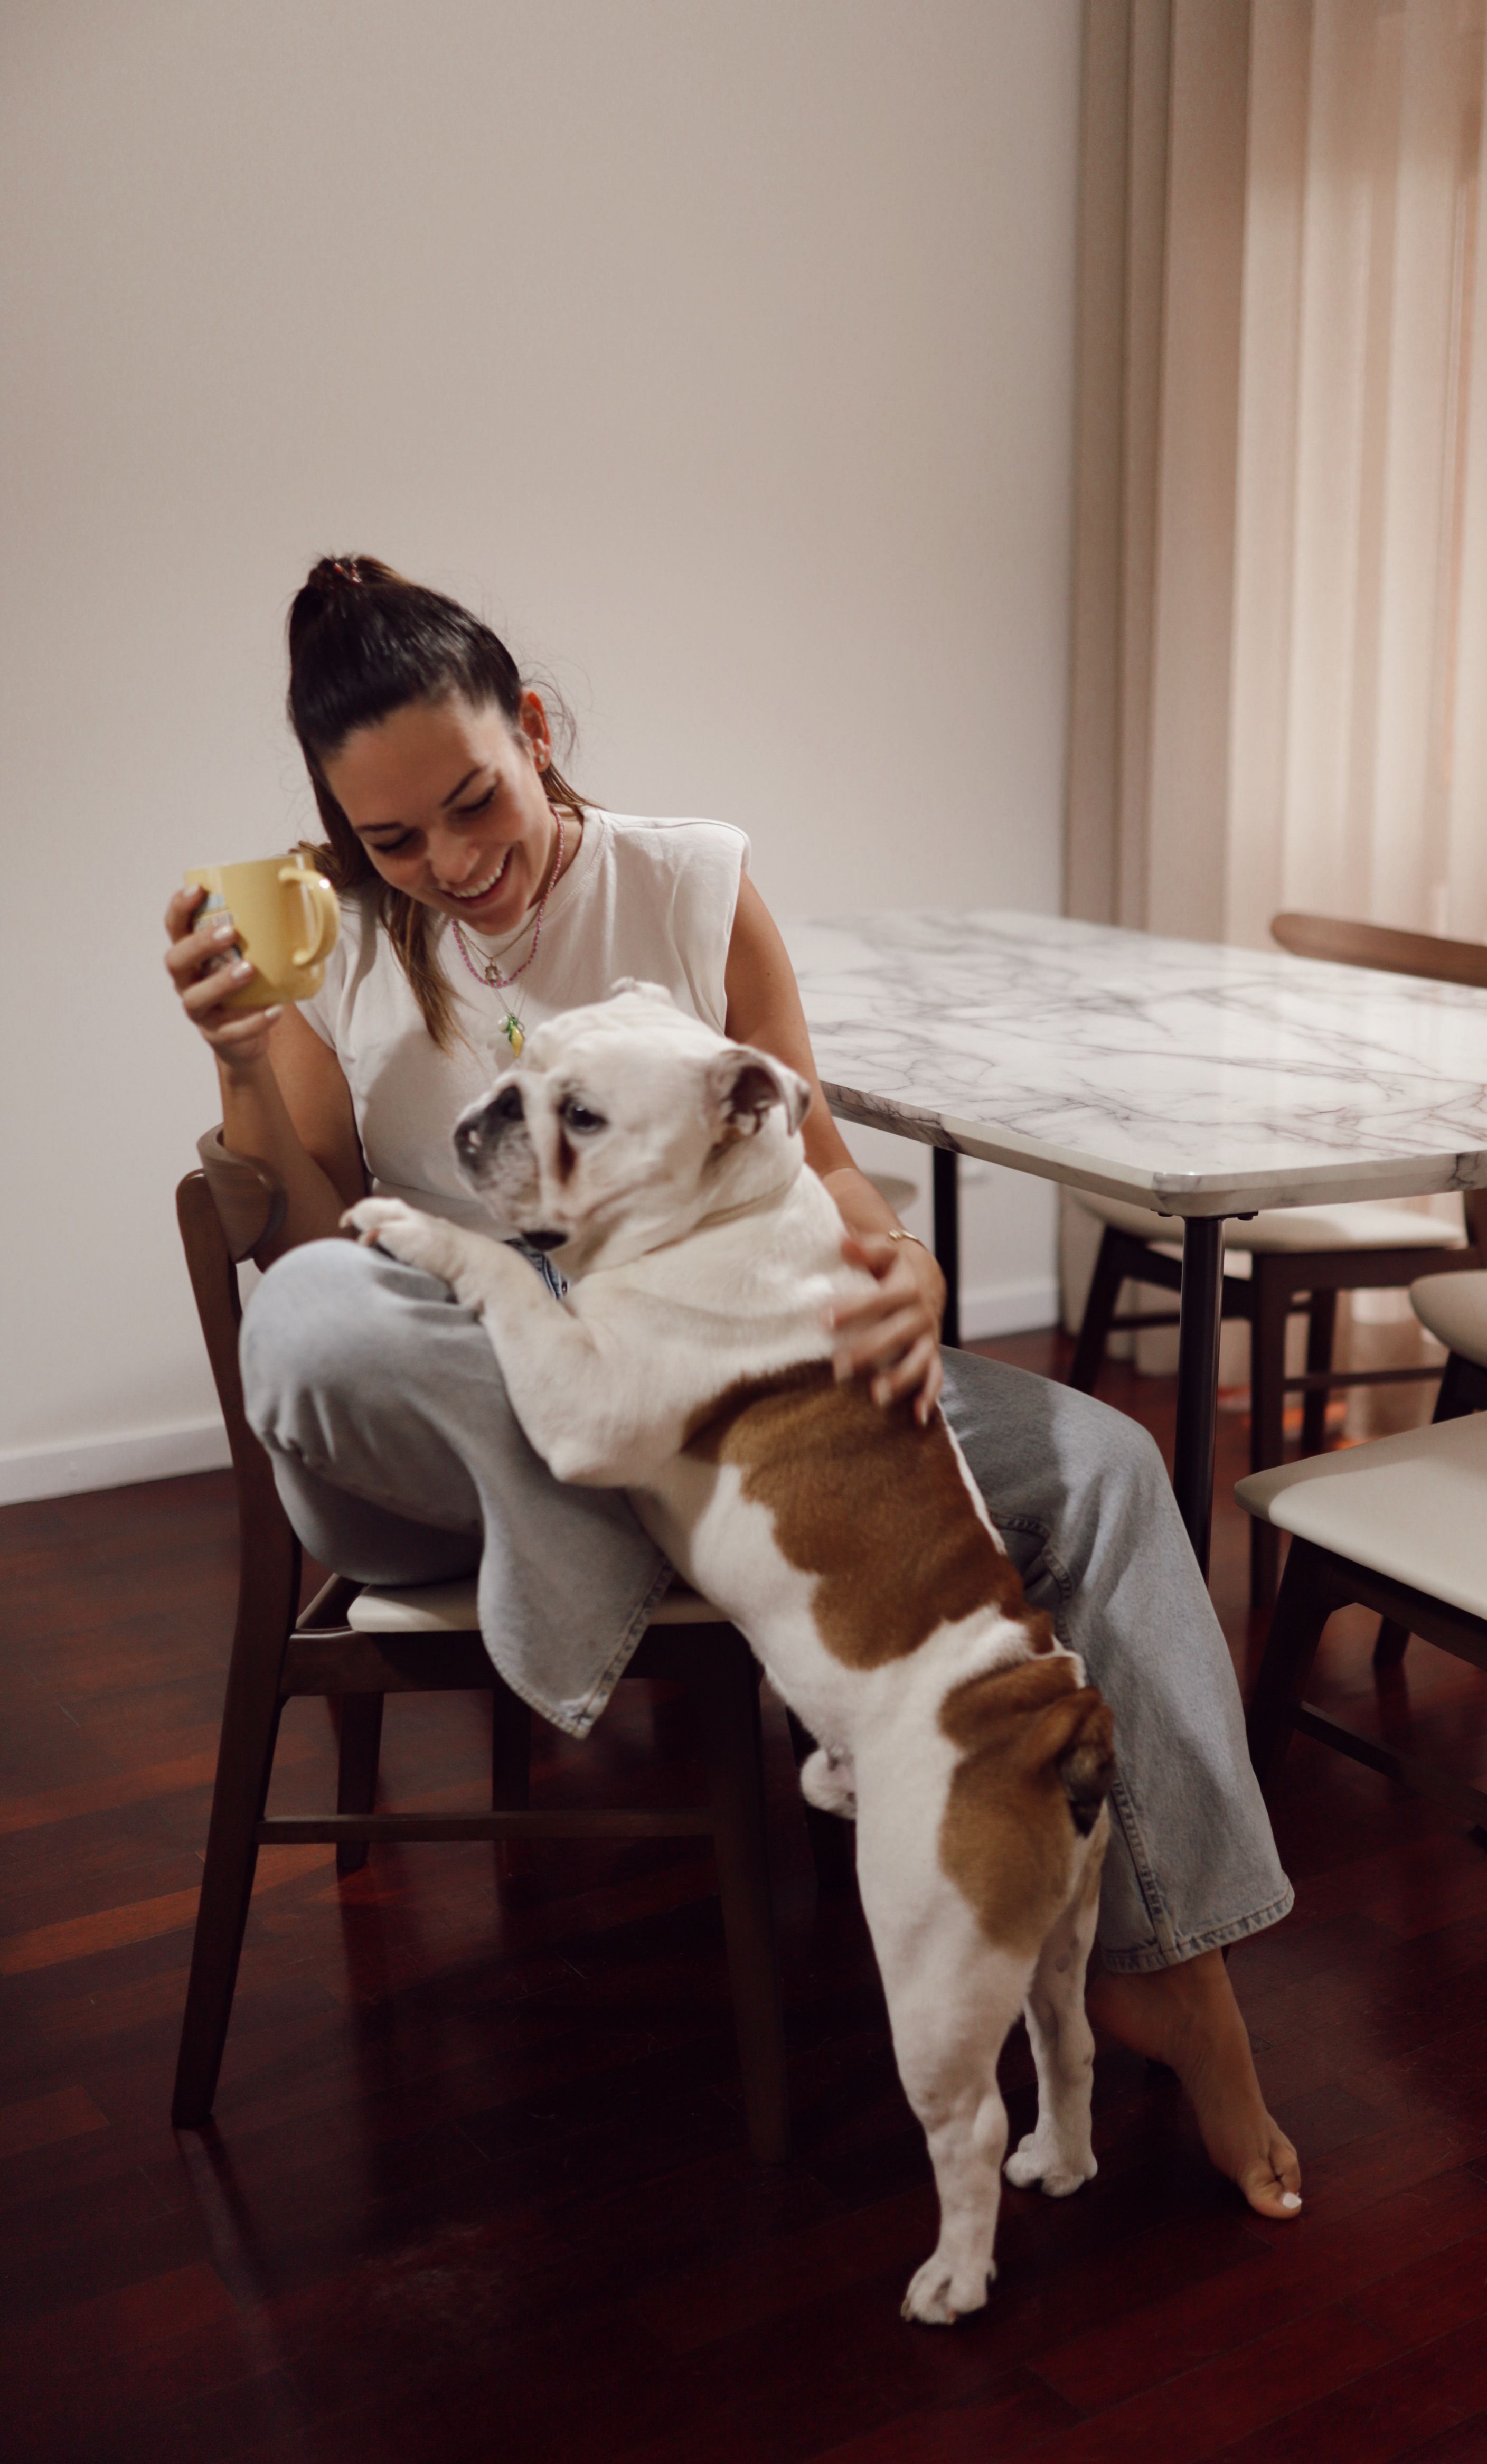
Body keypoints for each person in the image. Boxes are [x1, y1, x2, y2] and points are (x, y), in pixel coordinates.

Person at [163, 556, 1302, 2219]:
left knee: (1110, 1463)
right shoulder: (340, 941)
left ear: (535, 733)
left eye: (475, 801)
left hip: (720, 1396)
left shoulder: (689, 884)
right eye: (393, 842)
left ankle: (1174, 1960)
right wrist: (236, 1048)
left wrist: (891, 1259)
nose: (453, 864)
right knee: (321, 1322)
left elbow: (816, 1160)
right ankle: (672, 1527)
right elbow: (311, 1220)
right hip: (478, 1418)